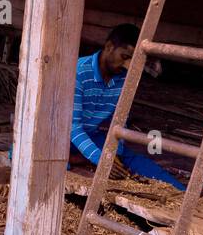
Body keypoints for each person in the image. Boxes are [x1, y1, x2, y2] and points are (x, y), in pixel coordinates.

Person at [70, 23, 186, 189]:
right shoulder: (79, 72)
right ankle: (76, 159)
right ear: (109, 47)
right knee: (49, 157)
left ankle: (183, 194)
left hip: (91, 137)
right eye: (125, 57)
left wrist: (114, 152)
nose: (127, 66)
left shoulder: (123, 78)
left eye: (132, 60)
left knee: (130, 160)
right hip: (60, 137)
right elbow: (73, 128)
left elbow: (119, 122)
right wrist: (100, 159)